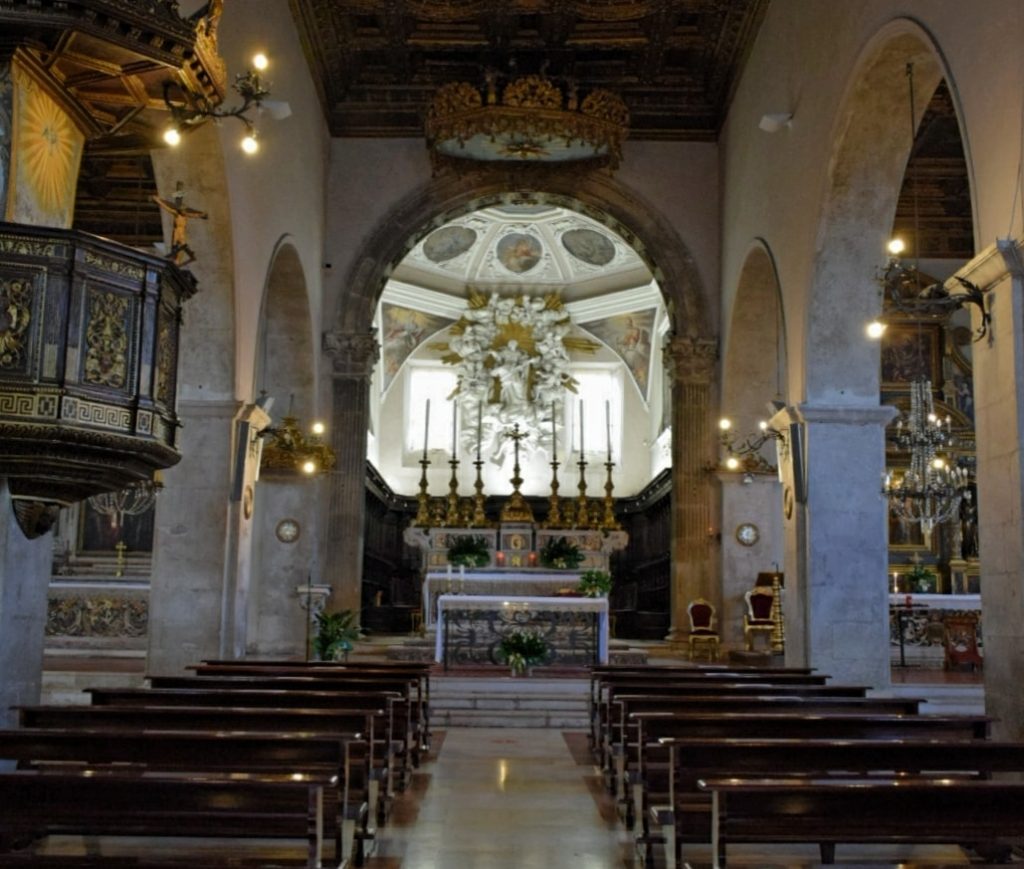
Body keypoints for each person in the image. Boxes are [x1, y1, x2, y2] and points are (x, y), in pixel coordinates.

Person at [153, 181, 207, 266]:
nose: (184, 212)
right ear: (181, 210)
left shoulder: (186, 215)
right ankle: (175, 255)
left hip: (181, 231)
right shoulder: (176, 214)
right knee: (175, 243)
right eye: (182, 210)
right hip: (177, 230)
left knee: (183, 243)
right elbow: (166, 207)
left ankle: (183, 255)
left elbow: (194, 215)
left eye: (184, 211)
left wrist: (201, 215)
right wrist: (158, 201)